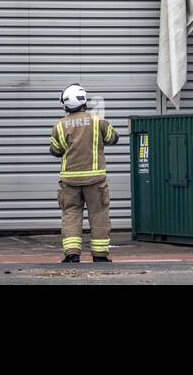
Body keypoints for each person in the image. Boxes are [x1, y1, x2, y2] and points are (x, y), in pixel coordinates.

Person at [49, 84, 119, 263]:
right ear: (84, 101)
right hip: (95, 180)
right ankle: (100, 255)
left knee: (71, 214)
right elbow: (113, 138)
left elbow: (55, 150)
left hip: (70, 180)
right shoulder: (98, 122)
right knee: (98, 214)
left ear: (65, 104)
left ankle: (72, 254)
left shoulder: (59, 125)